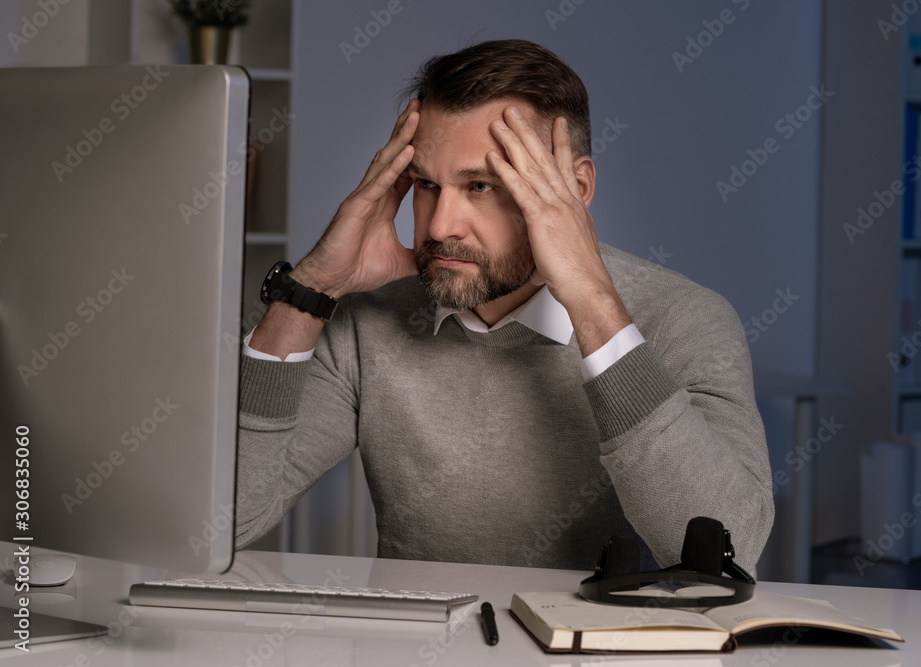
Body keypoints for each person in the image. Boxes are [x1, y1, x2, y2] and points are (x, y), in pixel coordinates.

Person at [236, 38, 773, 571]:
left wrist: (592, 303)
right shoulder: (367, 321)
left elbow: (728, 554)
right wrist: (310, 288)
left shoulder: (687, 319)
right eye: (426, 184)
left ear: (576, 188)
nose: (441, 226)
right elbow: (225, 520)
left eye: (482, 186)